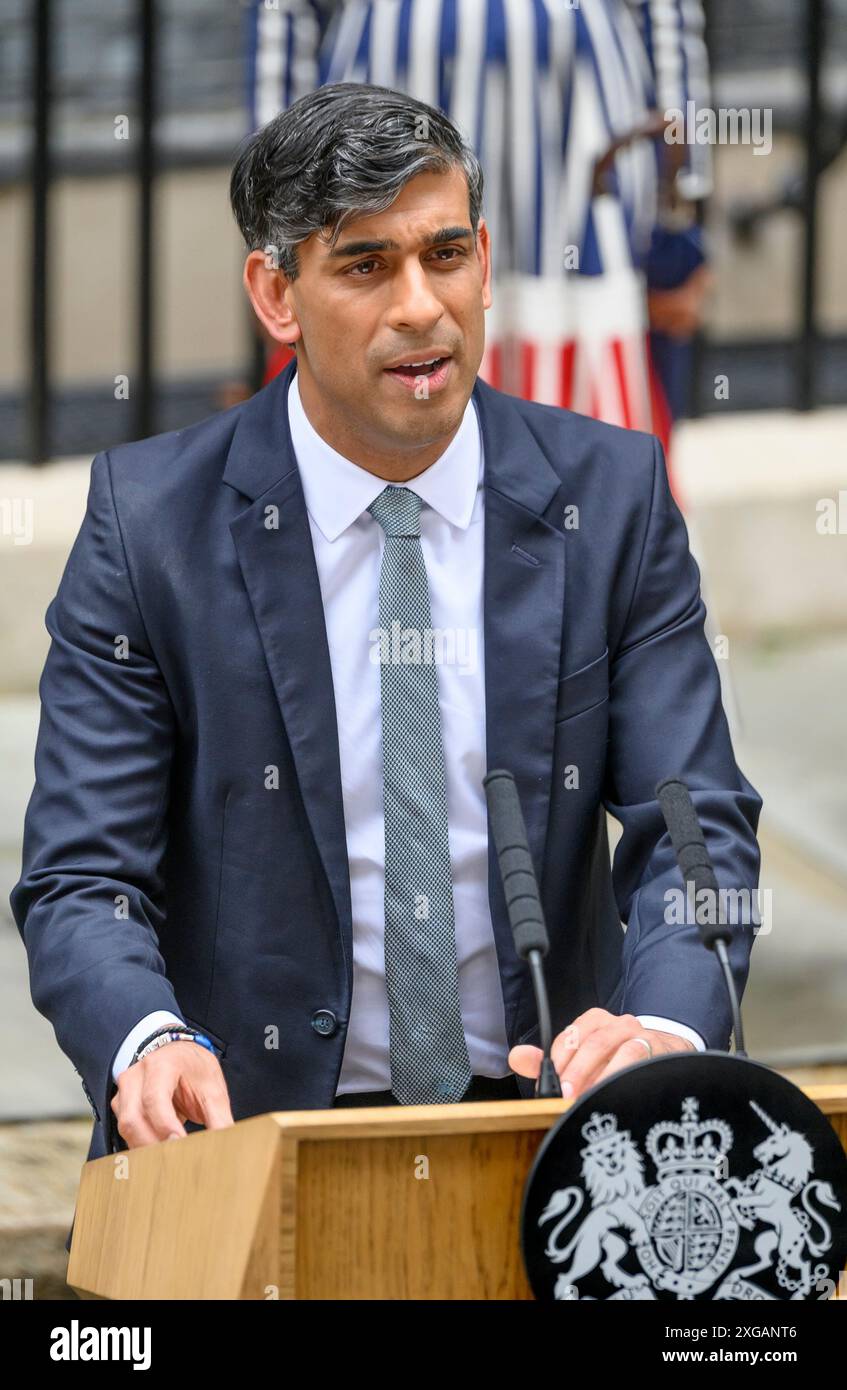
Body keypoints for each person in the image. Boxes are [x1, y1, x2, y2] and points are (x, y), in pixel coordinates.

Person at [12, 86, 761, 1173]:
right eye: (365, 266)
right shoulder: (151, 526)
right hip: (245, 1143)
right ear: (276, 292)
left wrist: (667, 1028)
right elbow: (83, 875)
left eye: (445, 254)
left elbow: (693, 832)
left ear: (485, 259)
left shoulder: (610, 496)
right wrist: (148, 1038)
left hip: (544, 1132)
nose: (421, 306)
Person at [246, 0, 714, 452]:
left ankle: (588, 522)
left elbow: (665, 11)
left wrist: (680, 200)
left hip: (577, 133)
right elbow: (283, 14)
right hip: (381, 110)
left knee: (586, 389)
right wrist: (272, 214)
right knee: (384, 306)